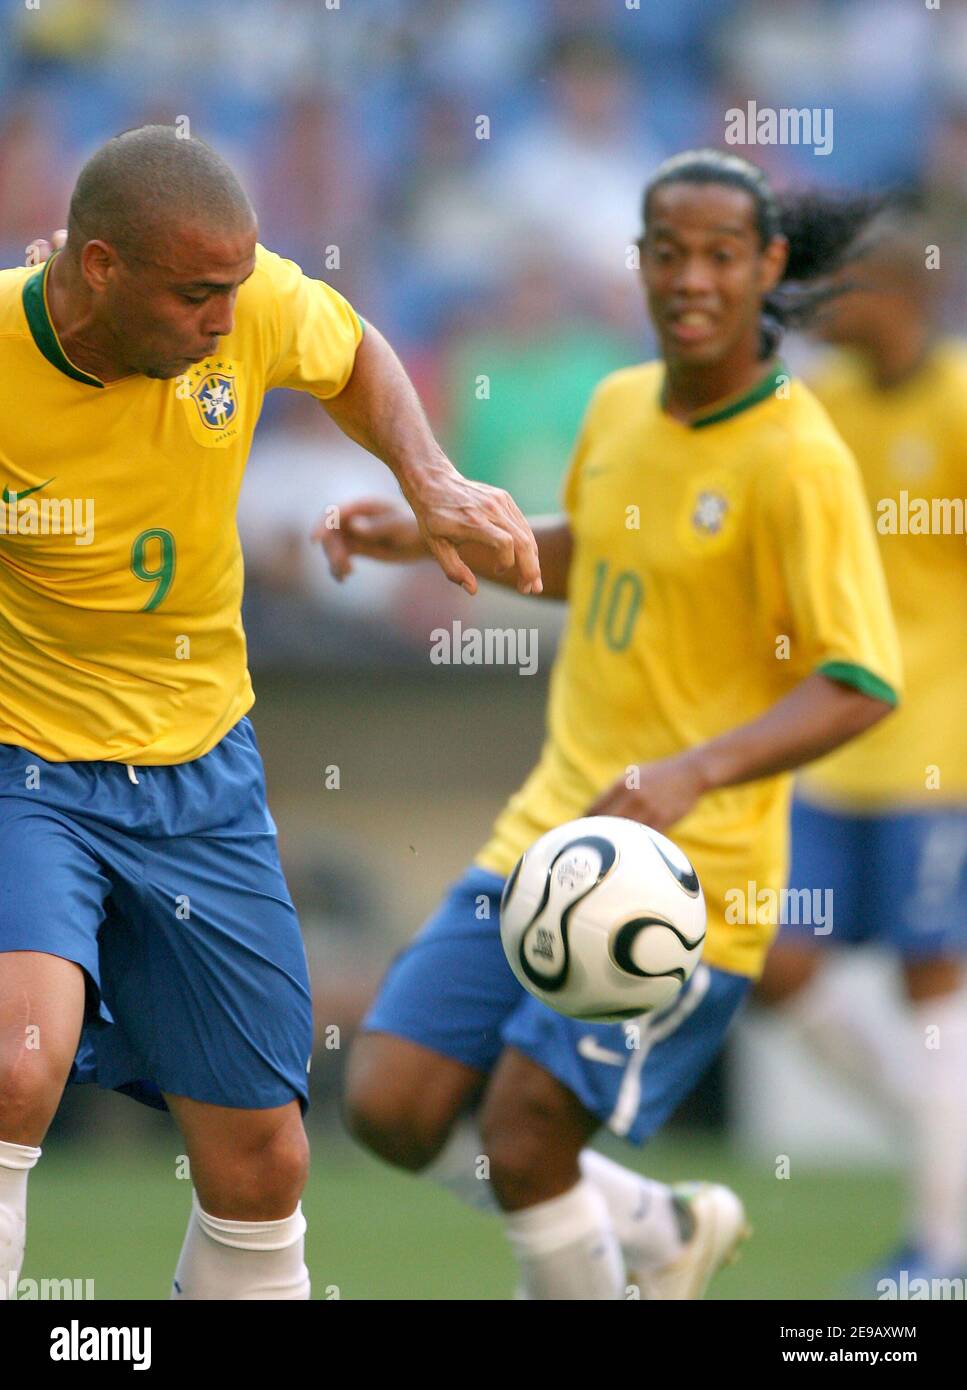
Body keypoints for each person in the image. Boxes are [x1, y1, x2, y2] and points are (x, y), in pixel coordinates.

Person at [320, 150, 903, 1301]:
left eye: (720, 256)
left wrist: (694, 772)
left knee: (530, 1136)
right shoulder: (616, 402)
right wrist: (428, 533)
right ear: (638, 263)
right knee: (389, 1101)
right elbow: (590, 552)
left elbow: (860, 679)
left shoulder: (799, 458)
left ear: (766, 266)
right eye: (669, 253)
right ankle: (652, 1223)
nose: (692, 279)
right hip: (552, 835)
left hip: (691, 879)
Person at [0, 124, 540, 1303]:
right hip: (28, 765)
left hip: (202, 773)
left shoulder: (248, 304)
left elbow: (350, 357)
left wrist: (430, 477)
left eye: (236, 291)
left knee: (263, 1159)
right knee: (17, 1059)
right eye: (197, 295)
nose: (226, 322)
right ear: (98, 266)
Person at [757, 207, 967, 1288]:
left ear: (901, 295)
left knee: (935, 977)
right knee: (772, 959)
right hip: (833, 746)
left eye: (839, 293)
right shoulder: (821, 408)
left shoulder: (961, 402)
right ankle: (953, 1154)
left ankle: (937, 1248)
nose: (819, 313)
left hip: (941, 751)